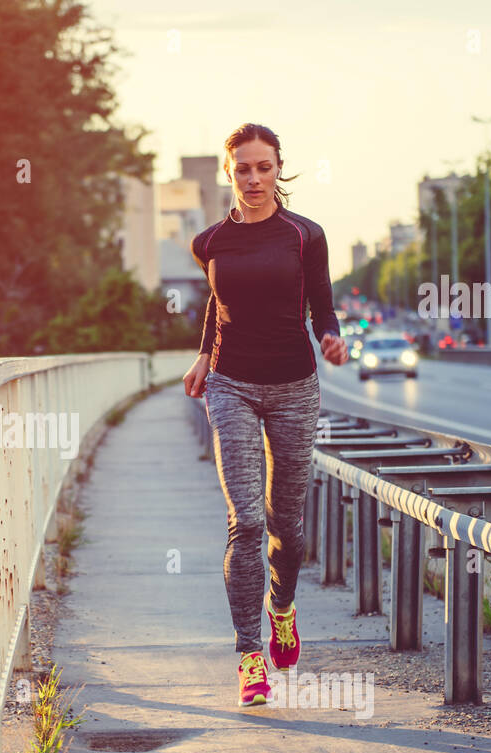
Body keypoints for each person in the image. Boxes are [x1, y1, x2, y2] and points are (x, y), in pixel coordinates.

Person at [181, 123, 349, 708]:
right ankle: (250, 657)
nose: (254, 178)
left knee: (287, 525)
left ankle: (283, 607)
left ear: (280, 169)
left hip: (294, 385)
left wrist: (331, 337)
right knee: (246, 522)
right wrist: (205, 356)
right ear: (229, 173)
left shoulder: (306, 236)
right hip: (229, 386)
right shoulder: (209, 242)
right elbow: (219, 303)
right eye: (243, 168)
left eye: (264, 167)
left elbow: (322, 306)